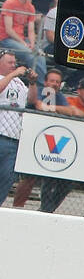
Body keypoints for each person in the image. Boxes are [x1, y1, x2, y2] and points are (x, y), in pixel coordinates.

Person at [0, 49, 25, 208]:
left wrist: (34, 82)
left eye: (14, 63)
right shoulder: (7, 78)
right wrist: (14, 74)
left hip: (14, 139)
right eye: (9, 62)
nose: (13, 65)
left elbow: (31, 100)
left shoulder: (20, 83)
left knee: (6, 178)